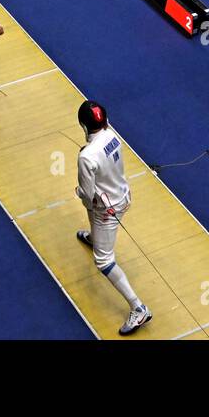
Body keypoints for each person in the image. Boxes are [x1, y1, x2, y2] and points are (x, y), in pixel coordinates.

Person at [73, 100, 152, 336]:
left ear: (84, 126)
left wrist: (80, 193)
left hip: (108, 209)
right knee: (94, 214)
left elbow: (88, 197)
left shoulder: (86, 157)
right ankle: (95, 238)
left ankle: (138, 308)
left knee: (104, 261)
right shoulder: (112, 134)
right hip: (122, 193)